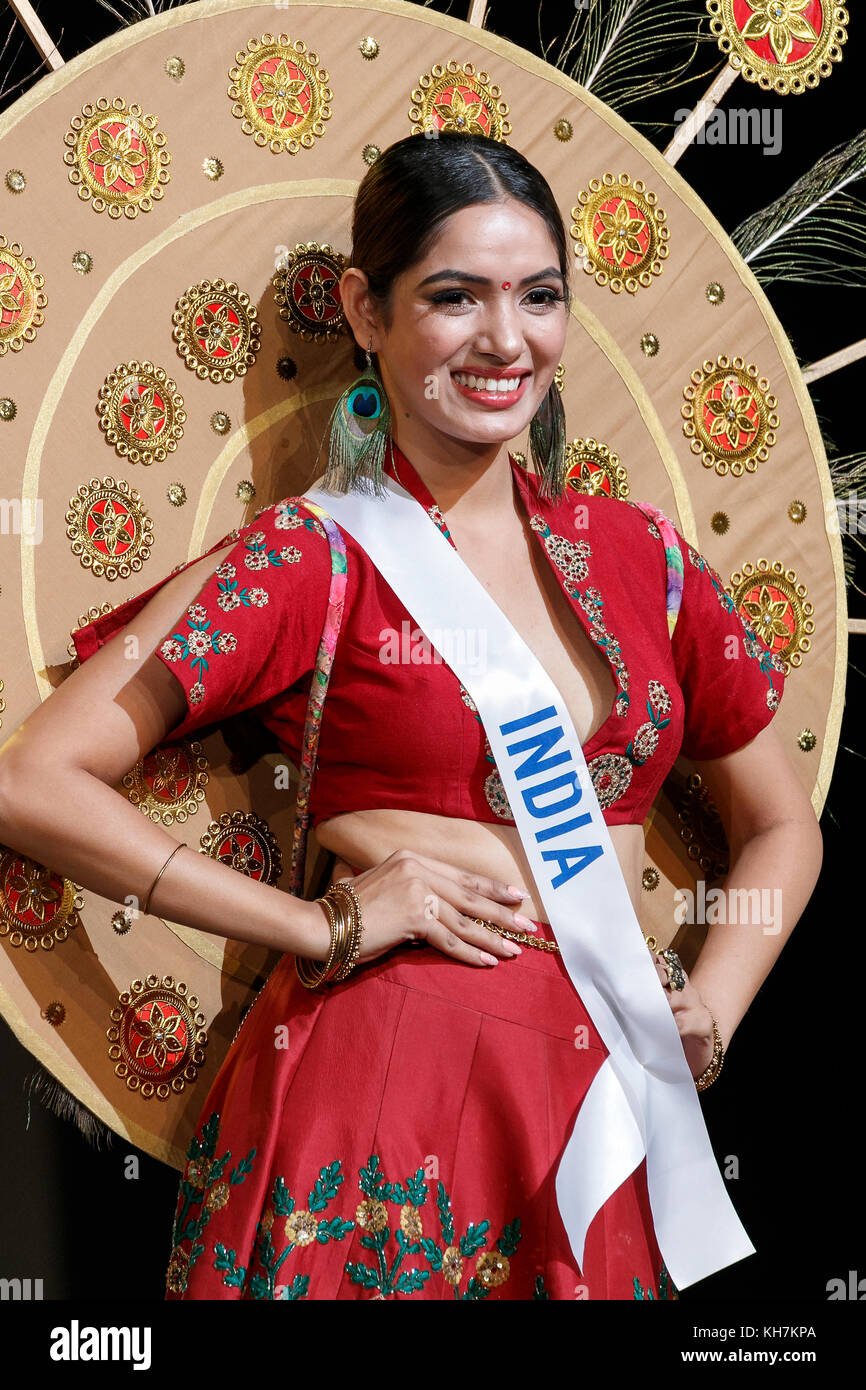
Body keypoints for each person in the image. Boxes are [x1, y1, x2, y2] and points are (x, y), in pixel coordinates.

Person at [0, 133, 822, 1301]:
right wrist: (314, 927)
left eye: (538, 297)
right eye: (453, 297)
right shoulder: (312, 558)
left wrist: (711, 1009)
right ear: (365, 311)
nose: (504, 339)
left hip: (595, 1104)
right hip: (376, 1083)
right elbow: (34, 782)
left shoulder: (643, 562)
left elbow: (781, 825)